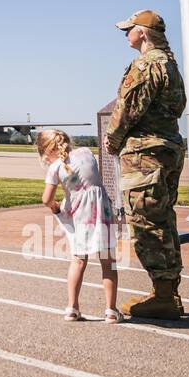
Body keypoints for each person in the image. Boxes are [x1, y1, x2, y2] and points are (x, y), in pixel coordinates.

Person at [103, 9, 187, 320]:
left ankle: (164, 296)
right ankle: (167, 292)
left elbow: (127, 109)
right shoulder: (171, 66)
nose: (126, 34)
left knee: (147, 223)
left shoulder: (146, 64)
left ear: (143, 33)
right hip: (168, 150)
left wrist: (112, 140)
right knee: (163, 219)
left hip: (145, 155)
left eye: (130, 29)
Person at [37, 128, 120, 323]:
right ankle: (111, 310)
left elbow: (46, 198)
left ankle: (72, 308)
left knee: (78, 260)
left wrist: (56, 207)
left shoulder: (56, 167)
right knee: (108, 261)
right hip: (102, 210)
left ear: (47, 151)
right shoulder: (86, 153)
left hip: (81, 215)